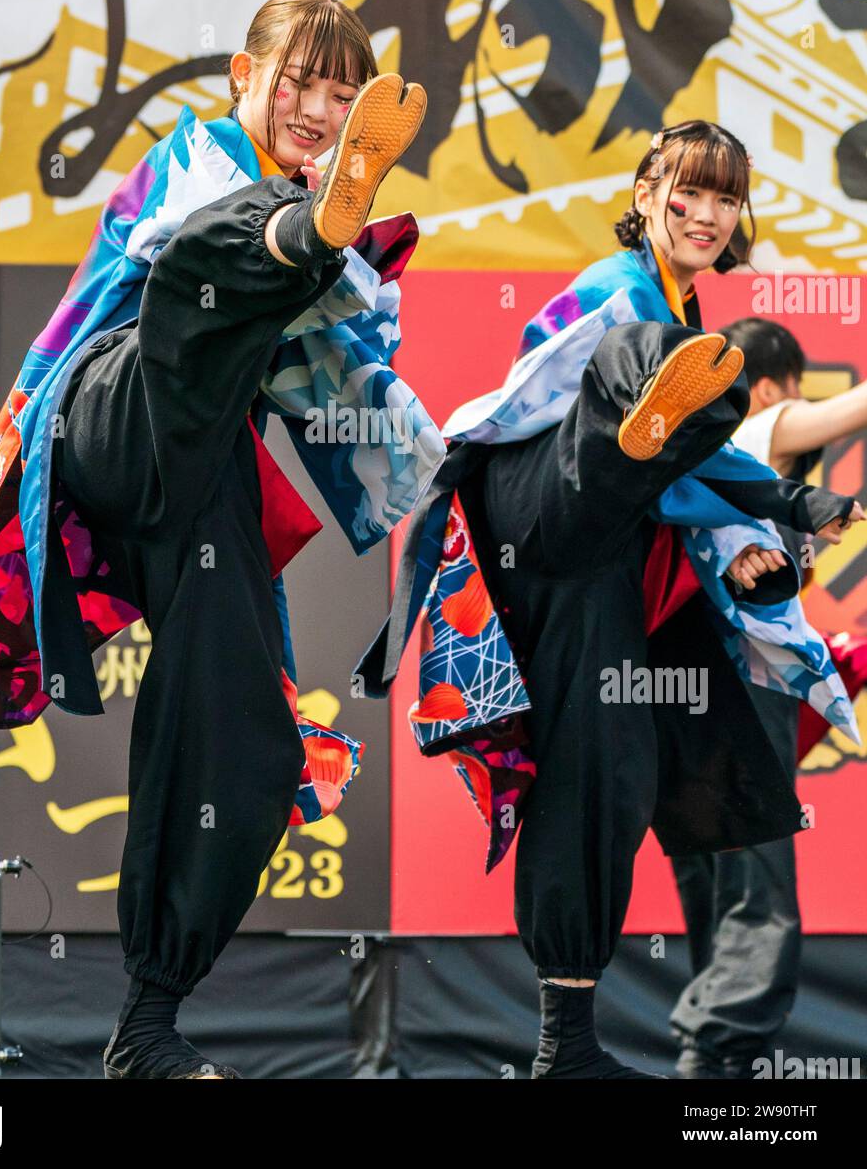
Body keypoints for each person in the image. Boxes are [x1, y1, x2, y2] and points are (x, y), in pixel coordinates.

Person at [0, 0, 440, 1079]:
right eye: (299, 81)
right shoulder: (192, 156)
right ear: (241, 74)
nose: (316, 106)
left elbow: (365, 357)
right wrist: (311, 229)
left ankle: (149, 1022)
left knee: (248, 730)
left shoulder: (344, 242)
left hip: (196, 474)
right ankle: (291, 232)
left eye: (339, 92)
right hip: (111, 413)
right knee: (208, 277)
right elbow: (185, 264)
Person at [358, 120, 863, 1079]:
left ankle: (570, 1047)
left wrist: (781, 520)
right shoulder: (610, 290)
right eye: (688, 190)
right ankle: (633, 422)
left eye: (725, 198)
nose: (707, 213)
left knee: (611, 776)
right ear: (643, 192)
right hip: (544, 518)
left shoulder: (691, 321)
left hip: (607, 565)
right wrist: (771, 488)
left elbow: (699, 477)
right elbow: (529, 409)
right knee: (648, 355)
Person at [670, 317, 867, 1078]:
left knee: (715, 877)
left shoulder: (690, 457)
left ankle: (709, 1056)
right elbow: (837, 415)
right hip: (747, 679)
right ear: (771, 386)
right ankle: (716, 1051)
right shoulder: (760, 426)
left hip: (683, 682)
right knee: (757, 882)